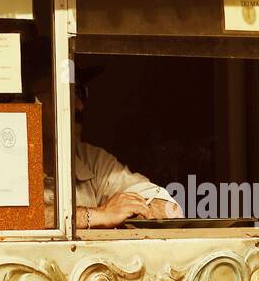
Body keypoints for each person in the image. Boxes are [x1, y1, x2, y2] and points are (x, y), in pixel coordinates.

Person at [72, 74, 181, 229]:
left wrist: (150, 209)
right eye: (65, 93)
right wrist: (99, 215)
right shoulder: (23, 162)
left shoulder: (89, 159)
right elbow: (25, 219)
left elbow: (167, 206)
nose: (79, 105)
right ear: (31, 101)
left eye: (80, 93)